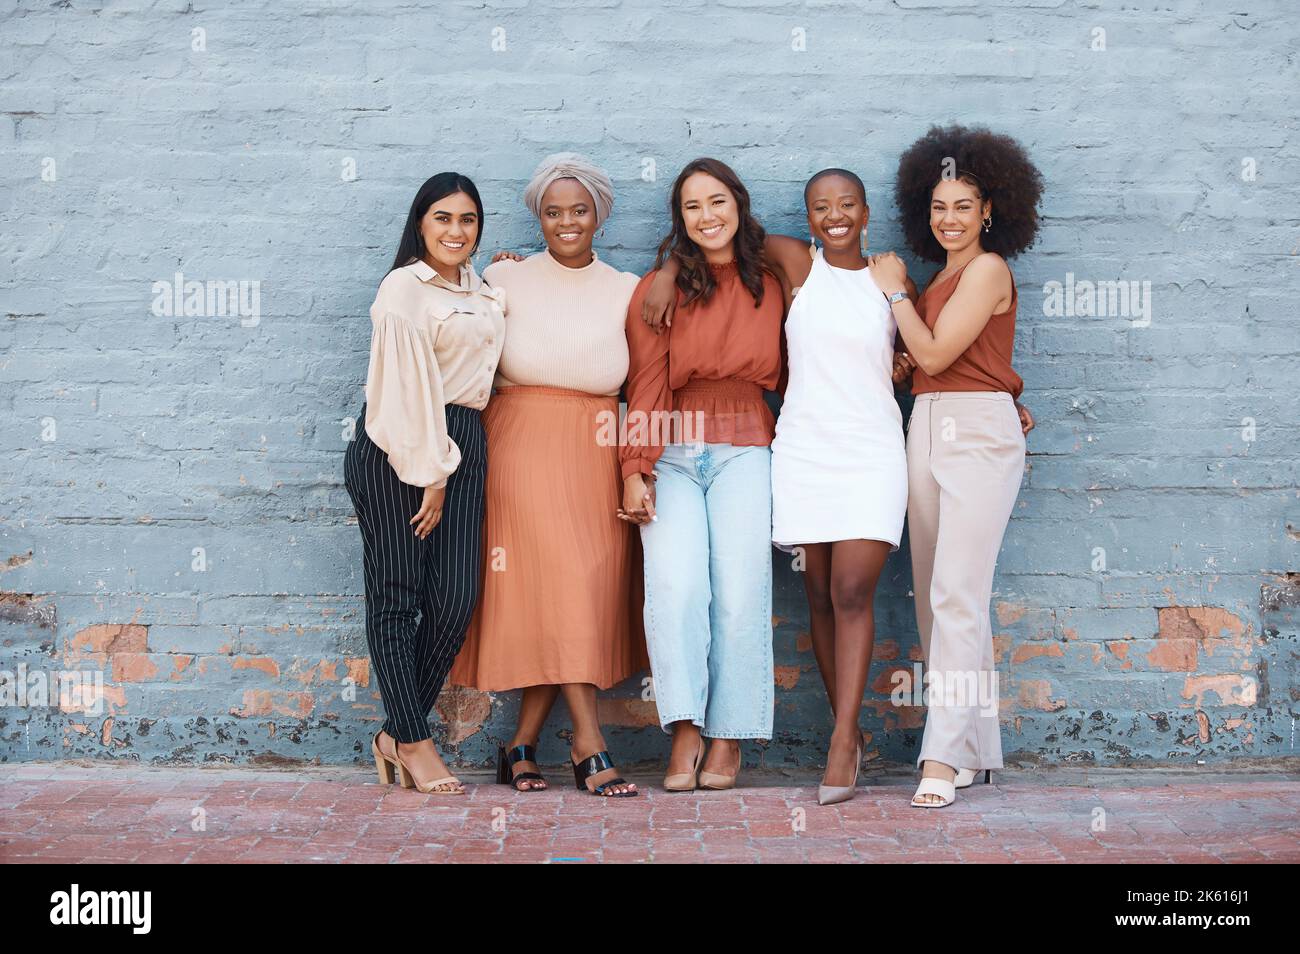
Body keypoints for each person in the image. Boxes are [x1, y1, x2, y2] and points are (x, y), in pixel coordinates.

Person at [450, 154, 646, 798]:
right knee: (560, 585)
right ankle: (589, 742)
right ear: (538, 216)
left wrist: (633, 469)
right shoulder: (505, 277)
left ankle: (520, 744)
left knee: (578, 592)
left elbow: (644, 388)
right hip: (521, 444)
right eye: (553, 211)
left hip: (597, 448)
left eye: (579, 210)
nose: (566, 222)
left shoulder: (626, 287)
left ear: (599, 215)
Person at [868, 125, 1042, 808]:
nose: (949, 219)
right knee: (936, 595)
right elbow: (933, 363)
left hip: (976, 433)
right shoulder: (940, 276)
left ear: (991, 209)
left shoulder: (987, 269)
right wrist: (909, 357)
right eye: (939, 207)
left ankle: (940, 758)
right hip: (928, 428)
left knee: (957, 595)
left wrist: (893, 296)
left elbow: (941, 355)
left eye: (963, 206)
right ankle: (975, 748)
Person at [619, 157, 783, 792]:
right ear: (679, 219)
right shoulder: (657, 292)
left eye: (717, 202)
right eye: (692, 207)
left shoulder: (773, 276)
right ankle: (686, 725)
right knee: (676, 588)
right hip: (674, 453)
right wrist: (636, 468)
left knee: (740, 592)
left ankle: (728, 735)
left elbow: (805, 365)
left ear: (737, 204)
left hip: (747, 444)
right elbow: (647, 385)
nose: (707, 216)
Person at [344, 172, 505, 795]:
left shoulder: (483, 289)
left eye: (467, 220)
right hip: (401, 447)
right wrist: (432, 474)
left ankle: (393, 732)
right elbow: (407, 391)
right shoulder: (403, 289)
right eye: (443, 218)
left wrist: (503, 273)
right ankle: (413, 741)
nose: (456, 231)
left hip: (465, 437)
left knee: (456, 596)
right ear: (420, 223)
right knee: (397, 597)